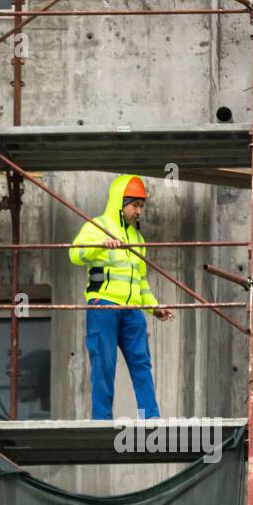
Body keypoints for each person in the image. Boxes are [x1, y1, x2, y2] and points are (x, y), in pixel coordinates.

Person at [68, 174, 173, 420]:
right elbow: (74, 254)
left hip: (132, 309)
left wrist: (154, 307)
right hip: (103, 305)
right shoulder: (97, 226)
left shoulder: (137, 239)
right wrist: (101, 245)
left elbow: (140, 281)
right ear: (120, 202)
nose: (139, 211)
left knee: (141, 363)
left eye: (142, 206)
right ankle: (102, 420)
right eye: (135, 205)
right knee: (104, 364)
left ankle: (150, 417)